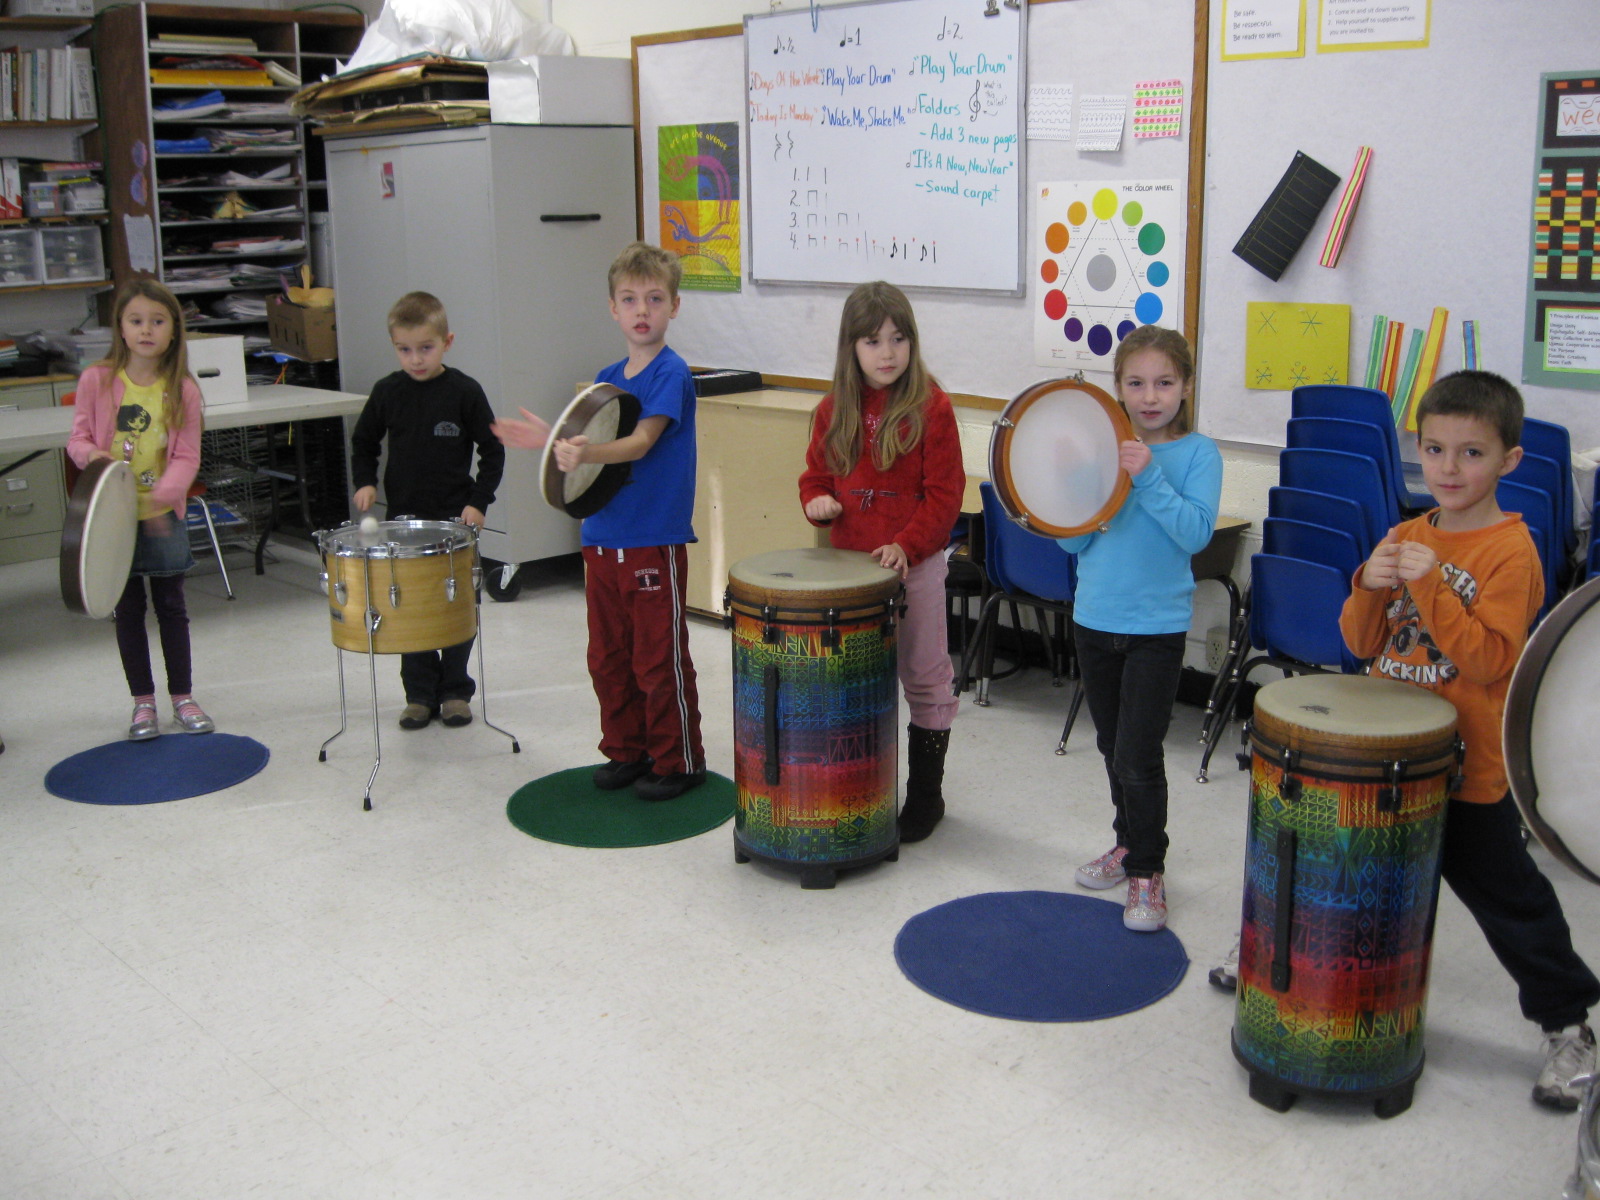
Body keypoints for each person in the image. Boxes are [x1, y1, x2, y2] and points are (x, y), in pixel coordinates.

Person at [1337, 370, 1597, 1110]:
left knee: (1509, 898)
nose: (1449, 469)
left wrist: (1431, 589)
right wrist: (1369, 581)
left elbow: (1487, 660)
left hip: (1468, 766)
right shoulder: (1406, 532)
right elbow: (1360, 643)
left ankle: (1568, 1025)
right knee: (1349, 869)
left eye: (1472, 453)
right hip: (1390, 753)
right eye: (1435, 450)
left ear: (1508, 462)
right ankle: (1303, 975)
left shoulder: (1513, 552)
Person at [494, 242, 705, 801]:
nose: (643, 310)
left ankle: (678, 759)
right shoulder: (606, 377)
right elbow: (585, 442)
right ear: (613, 308)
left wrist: (583, 452)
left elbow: (637, 442)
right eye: (630, 299)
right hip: (601, 540)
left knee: (657, 658)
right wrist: (551, 441)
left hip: (651, 541)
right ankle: (627, 750)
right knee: (608, 657)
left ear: (674, 307)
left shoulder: (670, 374)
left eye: (655, 299)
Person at [1060, 325, 1222, 931]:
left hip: (1157, 627)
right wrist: (1077, 484)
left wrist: (1147, 475)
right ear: (1118, 388)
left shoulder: (1198, 454)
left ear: (1185, 387)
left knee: (1138, 754)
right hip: (1094, 618)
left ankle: (1149, 873)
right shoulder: (1103, 447)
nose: (1150, 396)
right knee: (1109, 746)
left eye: (1164, 382)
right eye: (1135, 383)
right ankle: (1127, 844)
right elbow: (1075, 540)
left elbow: (1195, 534)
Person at [797, 281, 964, 842]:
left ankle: (925, 797)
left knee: (923, 677)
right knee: (850, 685)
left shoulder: (932, 407)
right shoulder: (832, 410)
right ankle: (858, 790)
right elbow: (815, 478)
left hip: (912, 570)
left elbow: (944, 496)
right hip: (849, 578)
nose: (888, 352)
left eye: (898, 339)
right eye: (873, 342)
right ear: (852, 348)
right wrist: (816, 504)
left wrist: (907, 545)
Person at [349, 291, 504, 731]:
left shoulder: (464, 392)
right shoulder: (387, 392)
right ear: (394, 346)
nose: (415, 359)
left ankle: (455, 689)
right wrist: (364, 481)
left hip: (456, 522)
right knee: (409, 607)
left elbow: (493, 450)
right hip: (403, 521)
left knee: (456, 605)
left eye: (426, 348)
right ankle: (418, 693)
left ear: (447, 341)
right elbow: (363, 442)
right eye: (404, 349)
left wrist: (479, 501)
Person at [66, 280, 213, 740]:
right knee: (127, 609)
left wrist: (163, 499)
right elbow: (78, 440)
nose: (146, 330)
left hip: (162, 516)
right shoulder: (97, 380)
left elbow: (188, 455)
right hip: (109, 519)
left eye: (157, 321)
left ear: (173, 331)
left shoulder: (182, 389)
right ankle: (142, 703)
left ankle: (182, 697)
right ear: (122, 329)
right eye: (136, 321)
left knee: (171, 606)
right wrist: (95, 459)